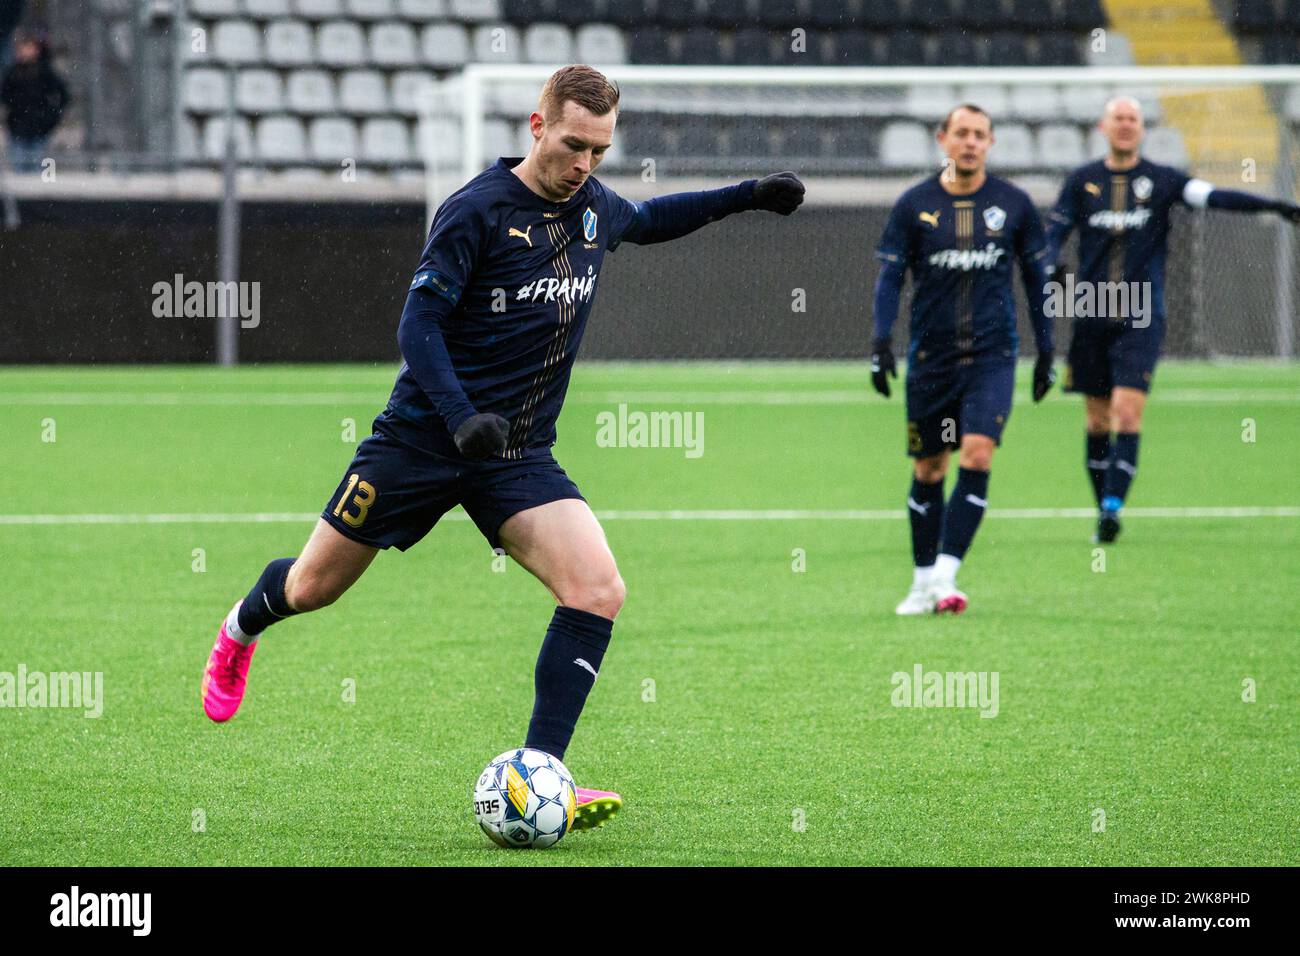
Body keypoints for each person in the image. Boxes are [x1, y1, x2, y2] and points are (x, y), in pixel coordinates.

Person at [200, 64, 806, 832]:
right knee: (313, 586)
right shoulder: (476, 210)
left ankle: (541, 775)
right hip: (422, 440)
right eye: (574, 145)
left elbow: (651, 219)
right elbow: (417, 326)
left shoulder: (593, 208)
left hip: (518, 454)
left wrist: (748, 195)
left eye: (600, 151)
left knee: (598, 590)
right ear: (537, 126)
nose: (585, 164)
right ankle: (240, 629)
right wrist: (459, 417)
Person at [1046, 95, 1300, 543]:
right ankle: (1102, 506)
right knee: (1097, 421)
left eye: (1133, 119)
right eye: (1118, 118)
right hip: (1091, 310)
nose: (1126, 125)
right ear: (1103, 127)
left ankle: (1112, 508)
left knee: (1127, 413)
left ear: (1142, 129)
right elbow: (1054, 232)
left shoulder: (1163, 180)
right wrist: (1049, 263)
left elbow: (1215, 196)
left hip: (1141, 313)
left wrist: (1275, 206)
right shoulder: (1082, 181)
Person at [871, 103, 1055, 616]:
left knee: (976, 454)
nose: (971, 142)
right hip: (931, 359)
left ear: (990, 142)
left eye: (980, 134)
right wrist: (880, 343)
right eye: (962, 133)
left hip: (992, 356)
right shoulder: (915, 204)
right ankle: (921, 581)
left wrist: (1047, 350)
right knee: (929, 468)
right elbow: (890, 278)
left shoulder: (1014, 204)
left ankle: (945, 576)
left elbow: (1038, 281)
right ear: (943, 139)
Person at [1, 30, 69, 173]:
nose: (23, 51)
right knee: (19, 171)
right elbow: (5, 96)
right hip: (17, 129)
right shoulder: (13, 72)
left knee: (38, 172)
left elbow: (62, 95)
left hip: (39, 129)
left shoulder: (44, 72)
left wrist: (51, 117)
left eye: (27, 47)